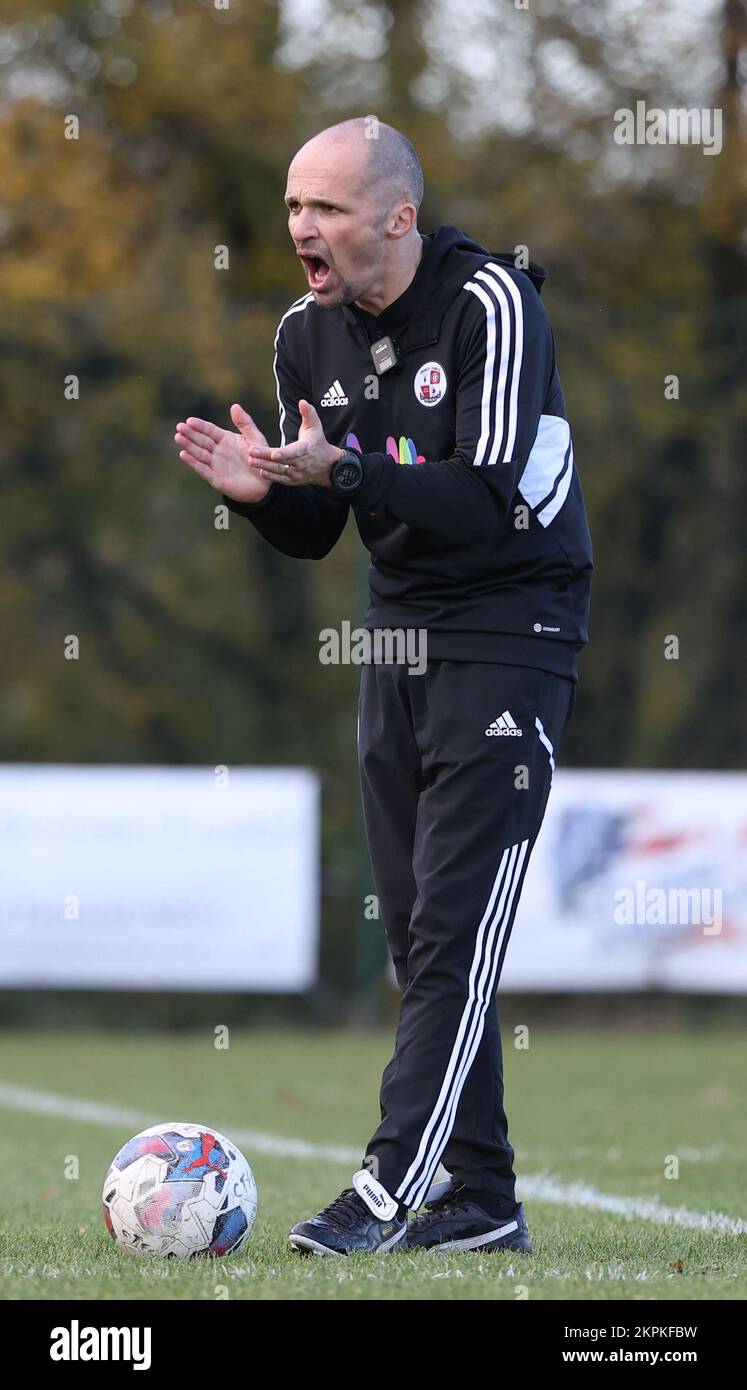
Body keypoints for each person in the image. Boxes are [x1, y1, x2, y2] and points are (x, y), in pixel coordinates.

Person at [174, 116, 593, 1256]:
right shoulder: (303, 334)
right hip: (399, 631)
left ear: (397, 218)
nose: (301, 228)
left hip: (515, 621)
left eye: (328, 207)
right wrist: (262, 496)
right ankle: (480, 1198)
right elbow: (323, 530)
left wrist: (352, 468)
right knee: (419, 933)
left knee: (457, 926)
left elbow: (486, 491)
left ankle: (388, 1185)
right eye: (294, 205)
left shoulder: (490, 306)